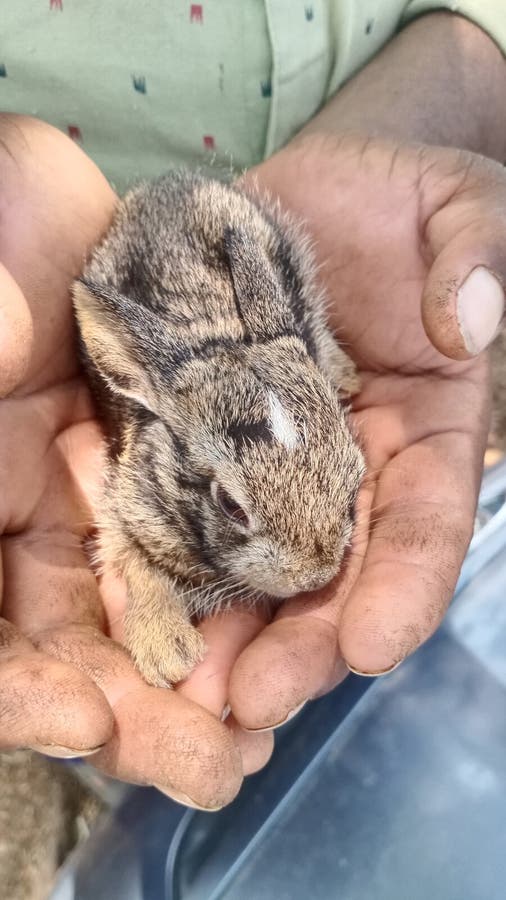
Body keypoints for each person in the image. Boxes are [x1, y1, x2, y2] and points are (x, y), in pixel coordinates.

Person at [1, 4, 505, 810]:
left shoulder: (286, 343)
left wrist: (453, 85)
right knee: (132, 693)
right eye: (238, 507)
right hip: (72, 217)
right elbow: (129, 524)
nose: (320, 564)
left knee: (258, 238)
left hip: (278, 192)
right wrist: (158, 594)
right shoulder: (166, 448)